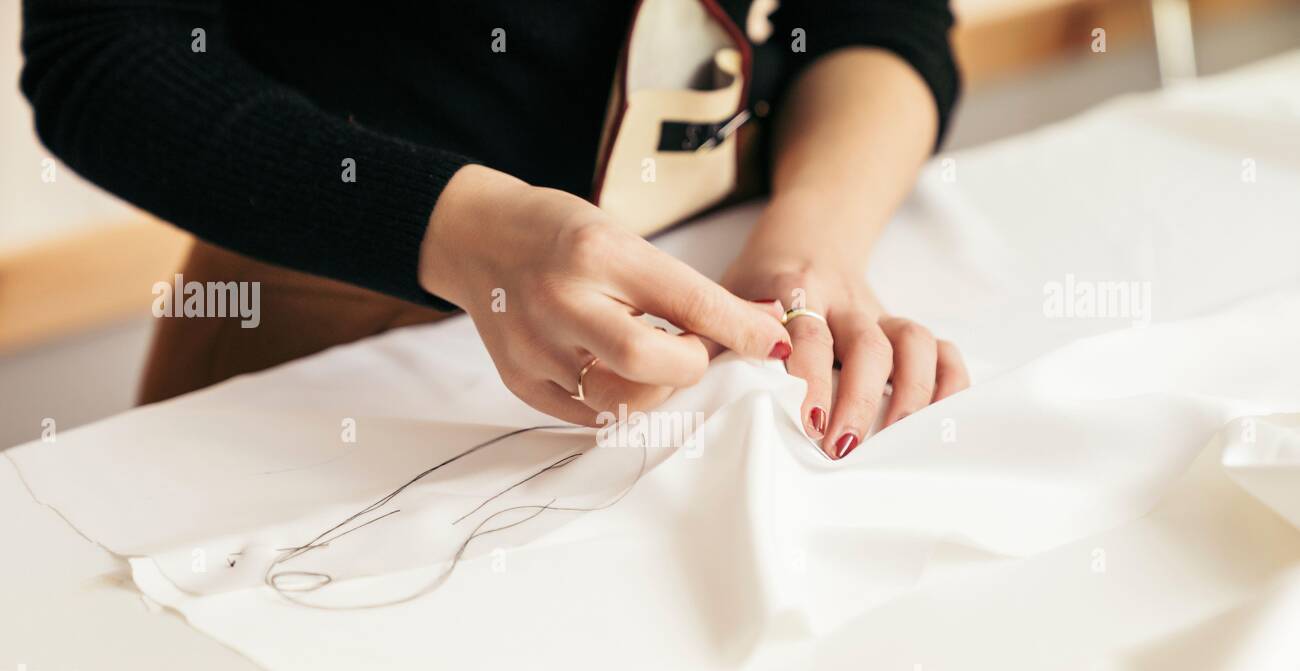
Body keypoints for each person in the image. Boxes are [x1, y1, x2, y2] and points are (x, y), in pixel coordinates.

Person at [22, 0, 969, 459]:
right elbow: (103, 53)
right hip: (341, 297)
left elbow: (880, 14)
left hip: (733, 251)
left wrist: (814, 243)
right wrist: (460, 231)